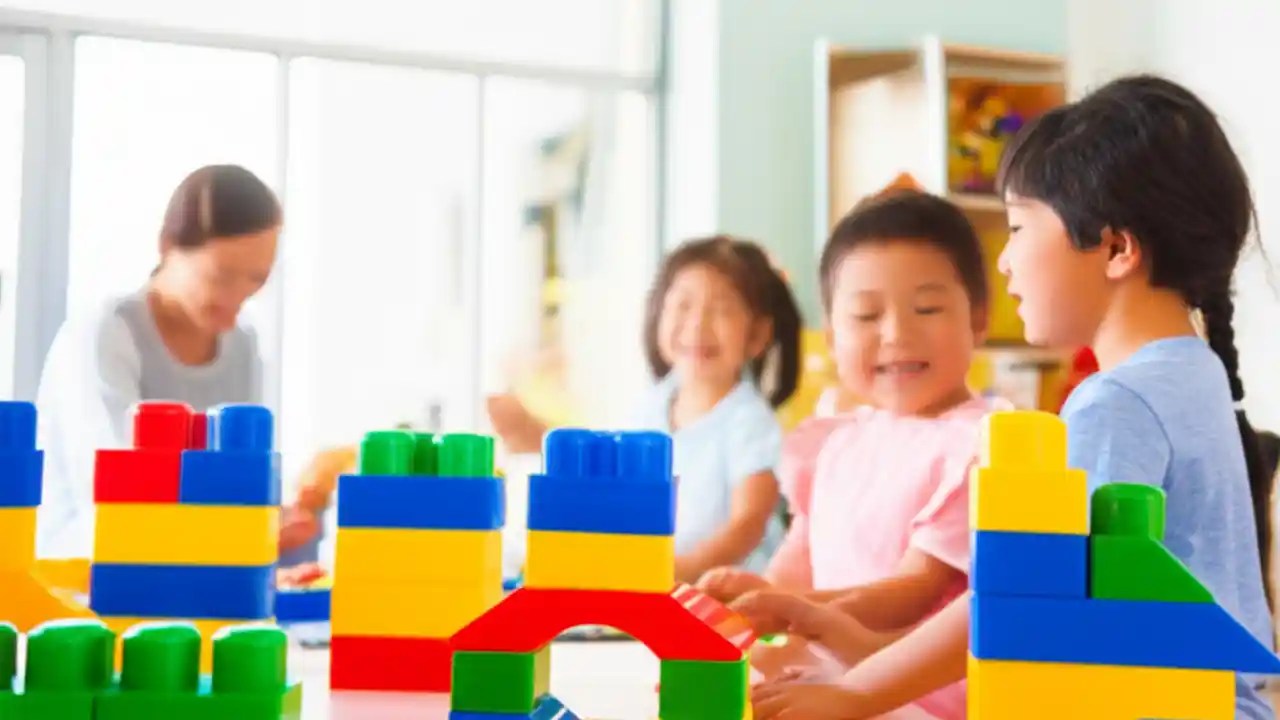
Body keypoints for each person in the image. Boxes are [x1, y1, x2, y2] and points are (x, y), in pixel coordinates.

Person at [747, 74, 1279, 720]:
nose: (1004, 262)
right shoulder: (1192, 373)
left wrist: (855, 693)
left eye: (1020, 229)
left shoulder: (1117, 404)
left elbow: (1026, 591)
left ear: (1115, 248)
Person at [699, 190, 1005, 720]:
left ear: (978, 317)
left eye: (927, 308)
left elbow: (914, 590)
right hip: (833, 675)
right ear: (833, 331)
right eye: (865, 315)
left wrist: (798, 612)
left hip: (915, 694)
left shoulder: (979, 444)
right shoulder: (832, 443)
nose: (896, 334)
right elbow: (795, 571)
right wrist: (759, 600)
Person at [489, 236, 802, 581]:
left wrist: (679, 571)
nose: (698, 324)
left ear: (757, 335)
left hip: (730, 599)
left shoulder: (750, 422)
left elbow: (748, 525)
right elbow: (610, 484)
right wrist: (539, 439)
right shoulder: (650, 406)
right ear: (658, 315)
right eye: (682, 305)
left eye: (722, 309)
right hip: (661, 587)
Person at [34, 164, 306, 557]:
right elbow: (116, 491)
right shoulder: (105, 334)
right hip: (86, 571)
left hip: (196, 565)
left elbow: (238, 478)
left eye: (257, 279)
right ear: (167, 246)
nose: (240, 296)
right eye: (224, 275)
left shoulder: (242, 345)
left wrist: (269, 517)